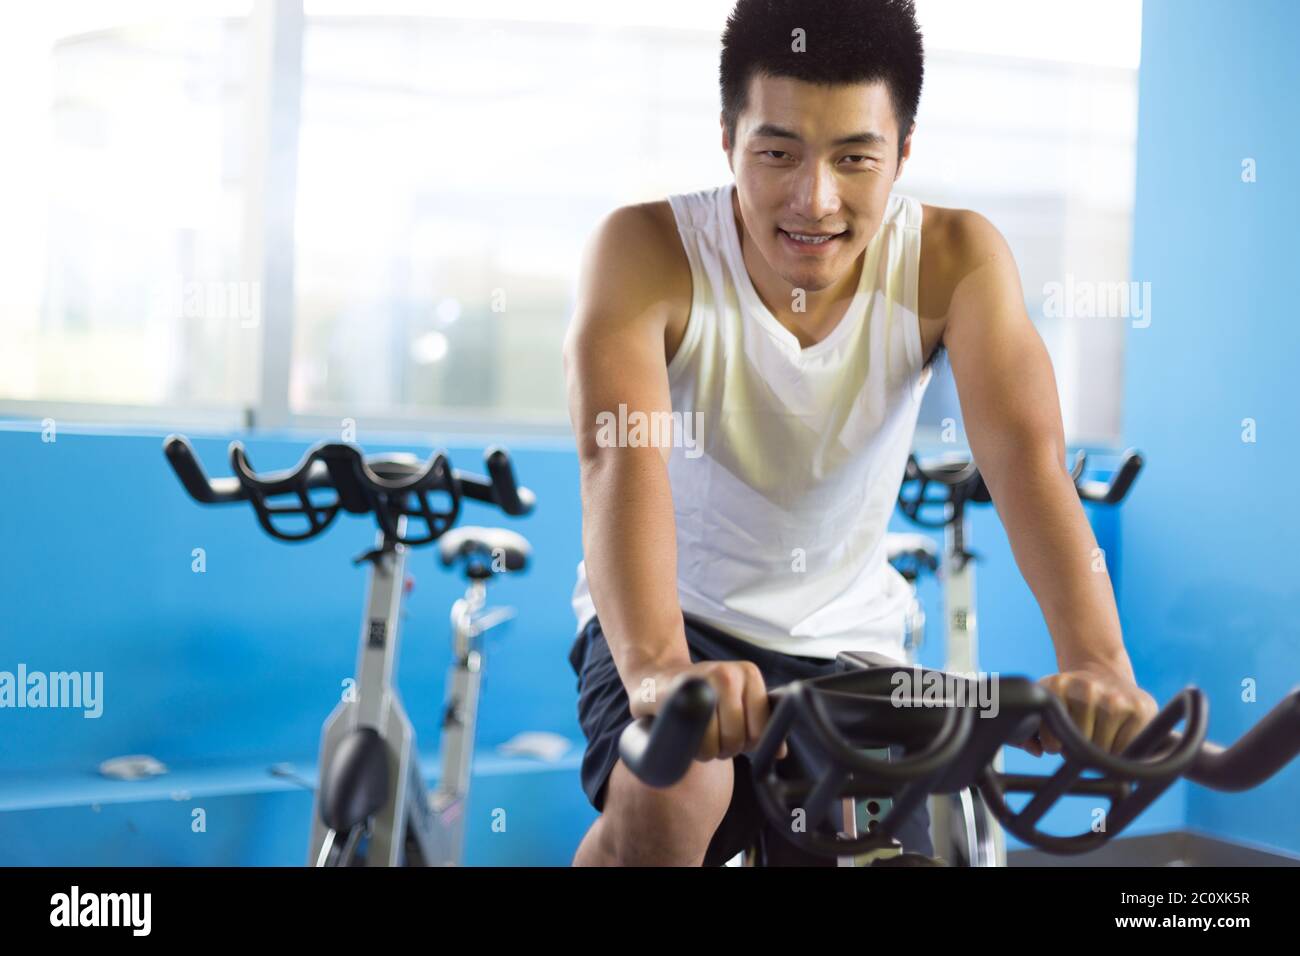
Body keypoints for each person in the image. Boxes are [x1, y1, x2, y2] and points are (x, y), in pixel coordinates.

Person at [562, 0, 1157, 866]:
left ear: (902, 154)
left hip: (850, 645)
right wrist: (659, 667)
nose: (815, 200)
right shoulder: (647, 250)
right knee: (678, 783)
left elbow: (1030, 459)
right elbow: (617, 454)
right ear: (726, 138)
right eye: (777, 154)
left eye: (855, 159)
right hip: (677, 623)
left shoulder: (956, 259)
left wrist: (1098, 661)